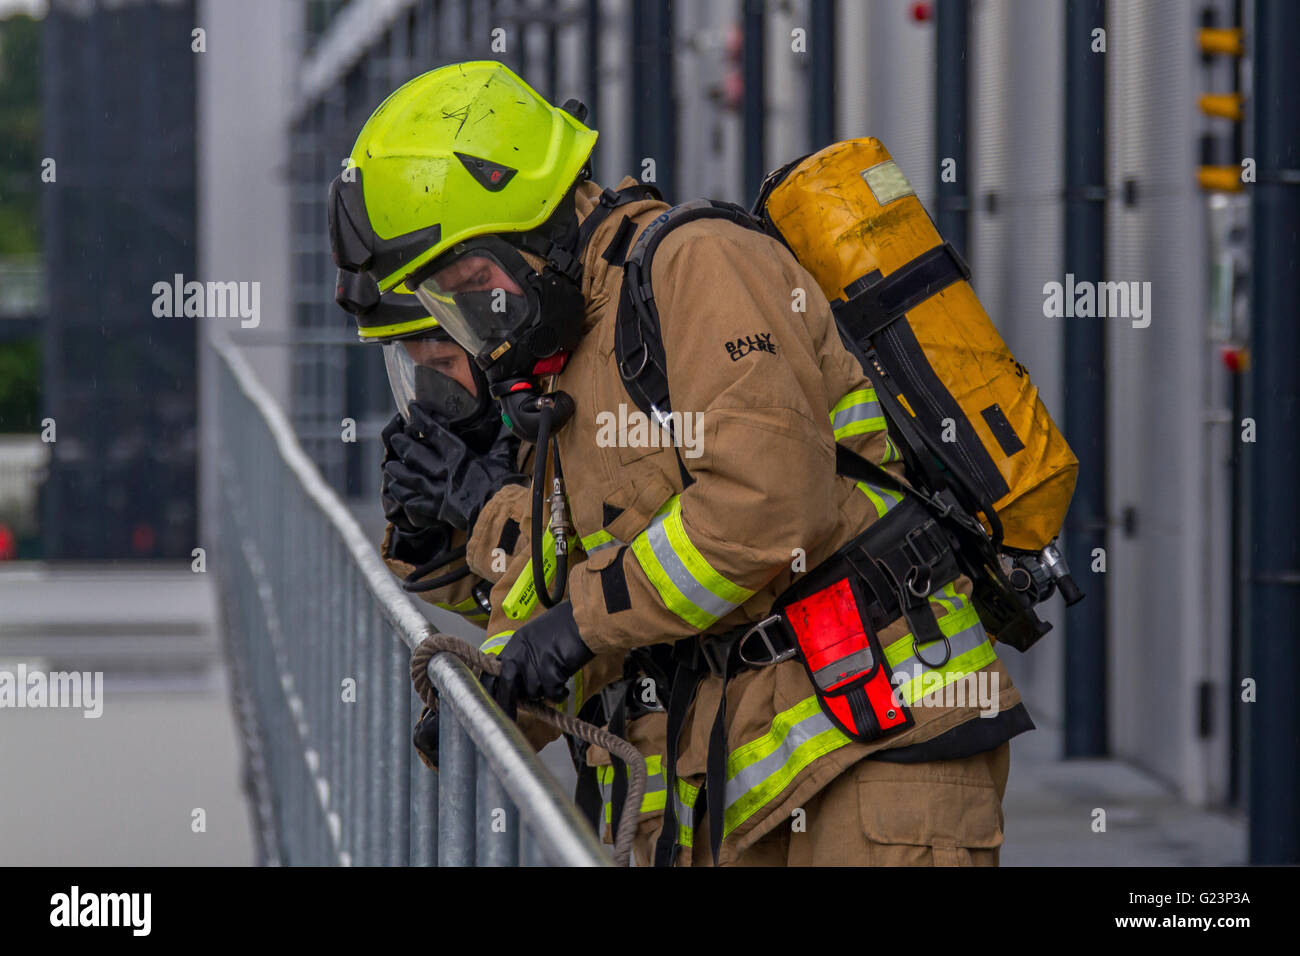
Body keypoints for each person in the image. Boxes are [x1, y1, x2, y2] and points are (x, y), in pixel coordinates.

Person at [329, 60, 1034, 867]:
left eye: (471, 287)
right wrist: (500, 682)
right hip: (737, 786)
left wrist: (569, 629)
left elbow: (766, 506)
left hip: (877, 757)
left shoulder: (695, 265)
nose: (477, 330)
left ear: (530, 229)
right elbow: (575, 582)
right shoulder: (573, 360)